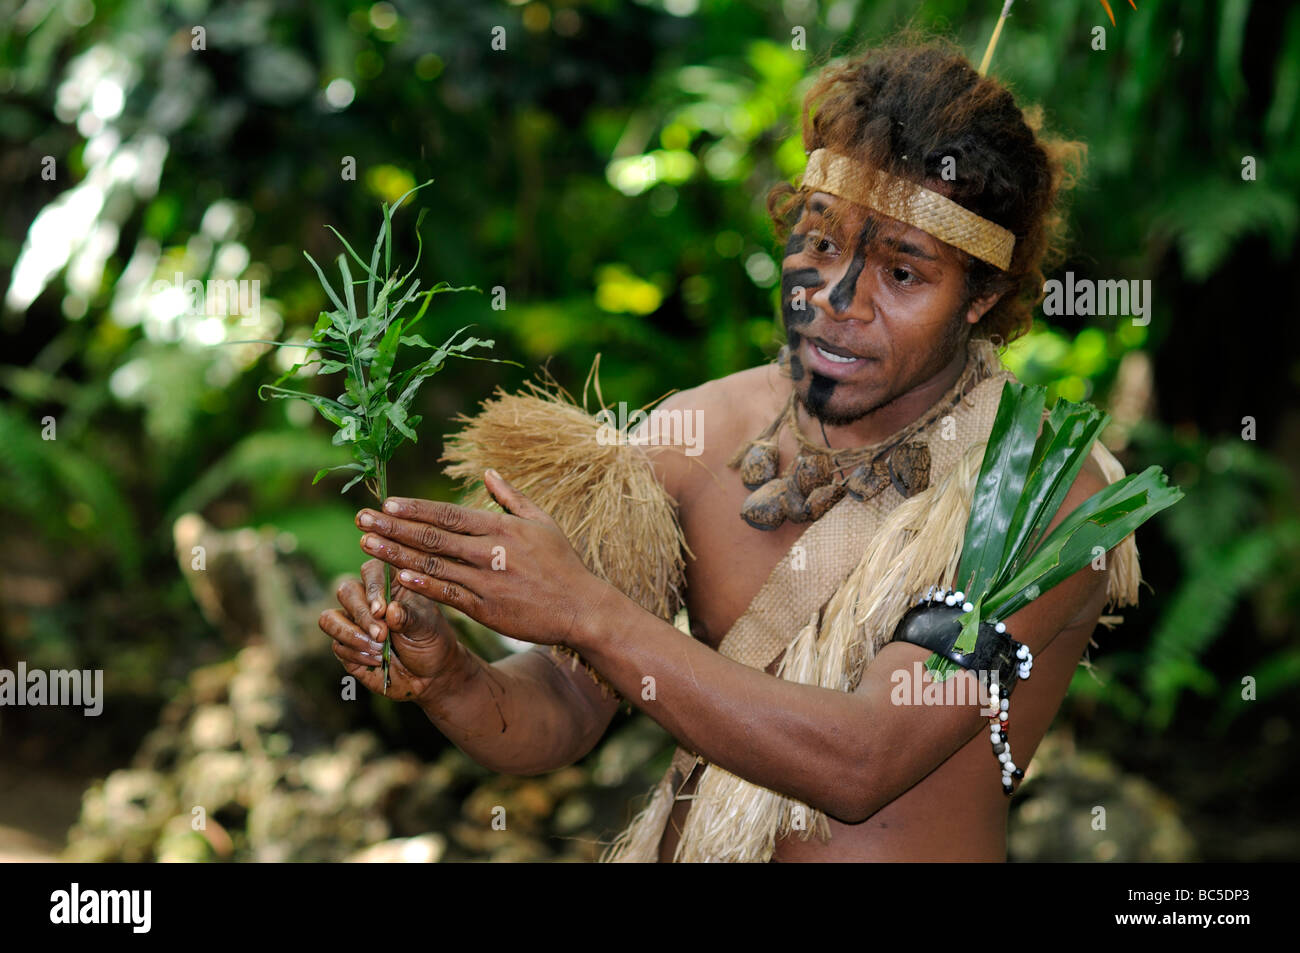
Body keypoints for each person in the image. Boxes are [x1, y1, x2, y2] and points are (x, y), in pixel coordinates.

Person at [318, 38, 1135, 862]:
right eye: (820, 244)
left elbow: (866, 759)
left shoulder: (1035, 496)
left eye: (902, 274)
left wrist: (586, 609)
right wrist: (452, 677)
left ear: (980, 298)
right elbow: (563, 707)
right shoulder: (696, 434)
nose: (837, 299)